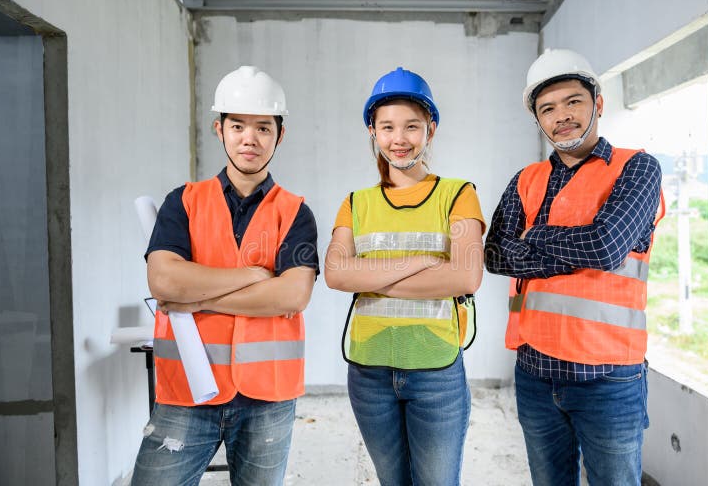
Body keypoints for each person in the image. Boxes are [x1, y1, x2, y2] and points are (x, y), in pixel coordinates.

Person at [131, 66, 319, 486]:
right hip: (186, 392)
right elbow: (164, 281)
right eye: (237, 125)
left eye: (262, 127)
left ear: (279, 135)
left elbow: (291, 295)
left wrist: (198, 297)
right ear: (219, 129)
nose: (249, 139)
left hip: (267, 397)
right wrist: (253, 276)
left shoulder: (296, 213)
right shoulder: (183, 202)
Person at [484, 49, 664, 486]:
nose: (561, 115)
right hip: (535, 373)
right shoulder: (525, 180)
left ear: (598, 103)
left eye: (573, 102)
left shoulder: (636, 168)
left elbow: (606, 246)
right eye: (547, 108)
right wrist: (571, 244)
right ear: (538, 120)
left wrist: (536, 236)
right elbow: (494, 255)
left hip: (608, 378)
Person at [324, 67, 485, 485]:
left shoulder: (458, 193)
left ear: (430, 129)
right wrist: (422, 261)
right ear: (373, 133)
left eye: (411, 126)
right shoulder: (355, 202)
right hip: (369, 372)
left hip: (436, 370)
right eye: (387, 127)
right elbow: (336, 274)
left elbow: (466, 278)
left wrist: (370, 276)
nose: (400, 139)